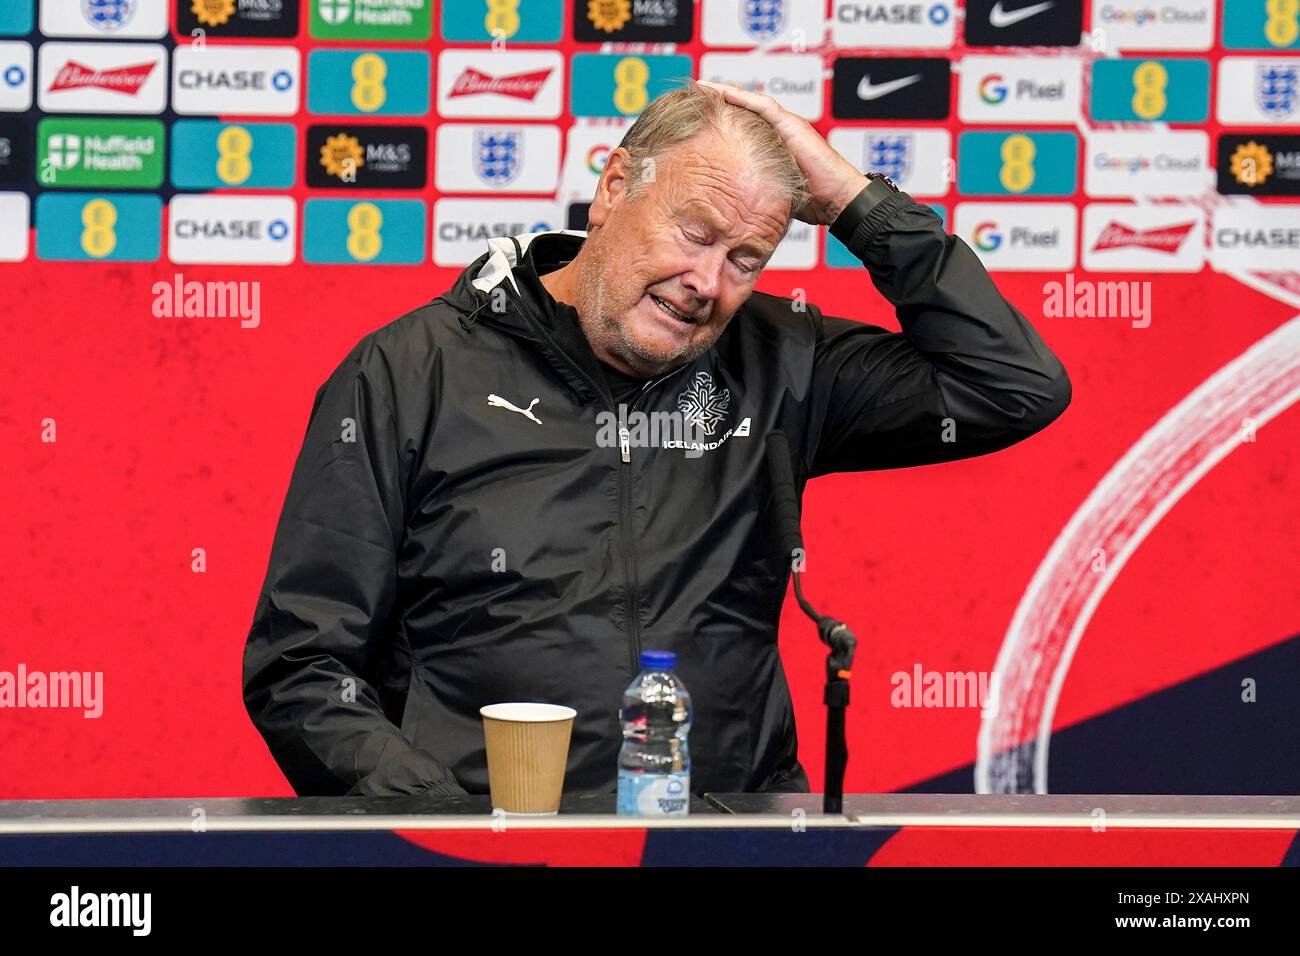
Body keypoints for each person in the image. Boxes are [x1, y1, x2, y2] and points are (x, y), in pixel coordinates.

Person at [242, 80, 1071, 798]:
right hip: (491, 848)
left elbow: (1012, 387)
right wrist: (445, 820)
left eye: (747, 259)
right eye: (695, 232)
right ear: (612, 187)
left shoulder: (784, 360)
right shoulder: (410, 370)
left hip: (728, 843)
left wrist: (860, 204)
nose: (707, 283)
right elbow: (304, 667)